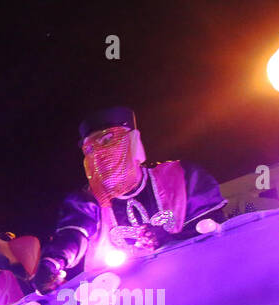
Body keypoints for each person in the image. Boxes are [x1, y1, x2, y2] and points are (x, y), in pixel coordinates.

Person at [33, 107, 225, 293]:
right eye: (90, 149)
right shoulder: (87, 200)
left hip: (193, 284)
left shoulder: (183, 177)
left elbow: (214, 232)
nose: (100, 154)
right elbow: (72, 236)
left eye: (108, 140)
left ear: (133, 140)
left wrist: (170, 240)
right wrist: (51, 263)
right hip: (124, 304)